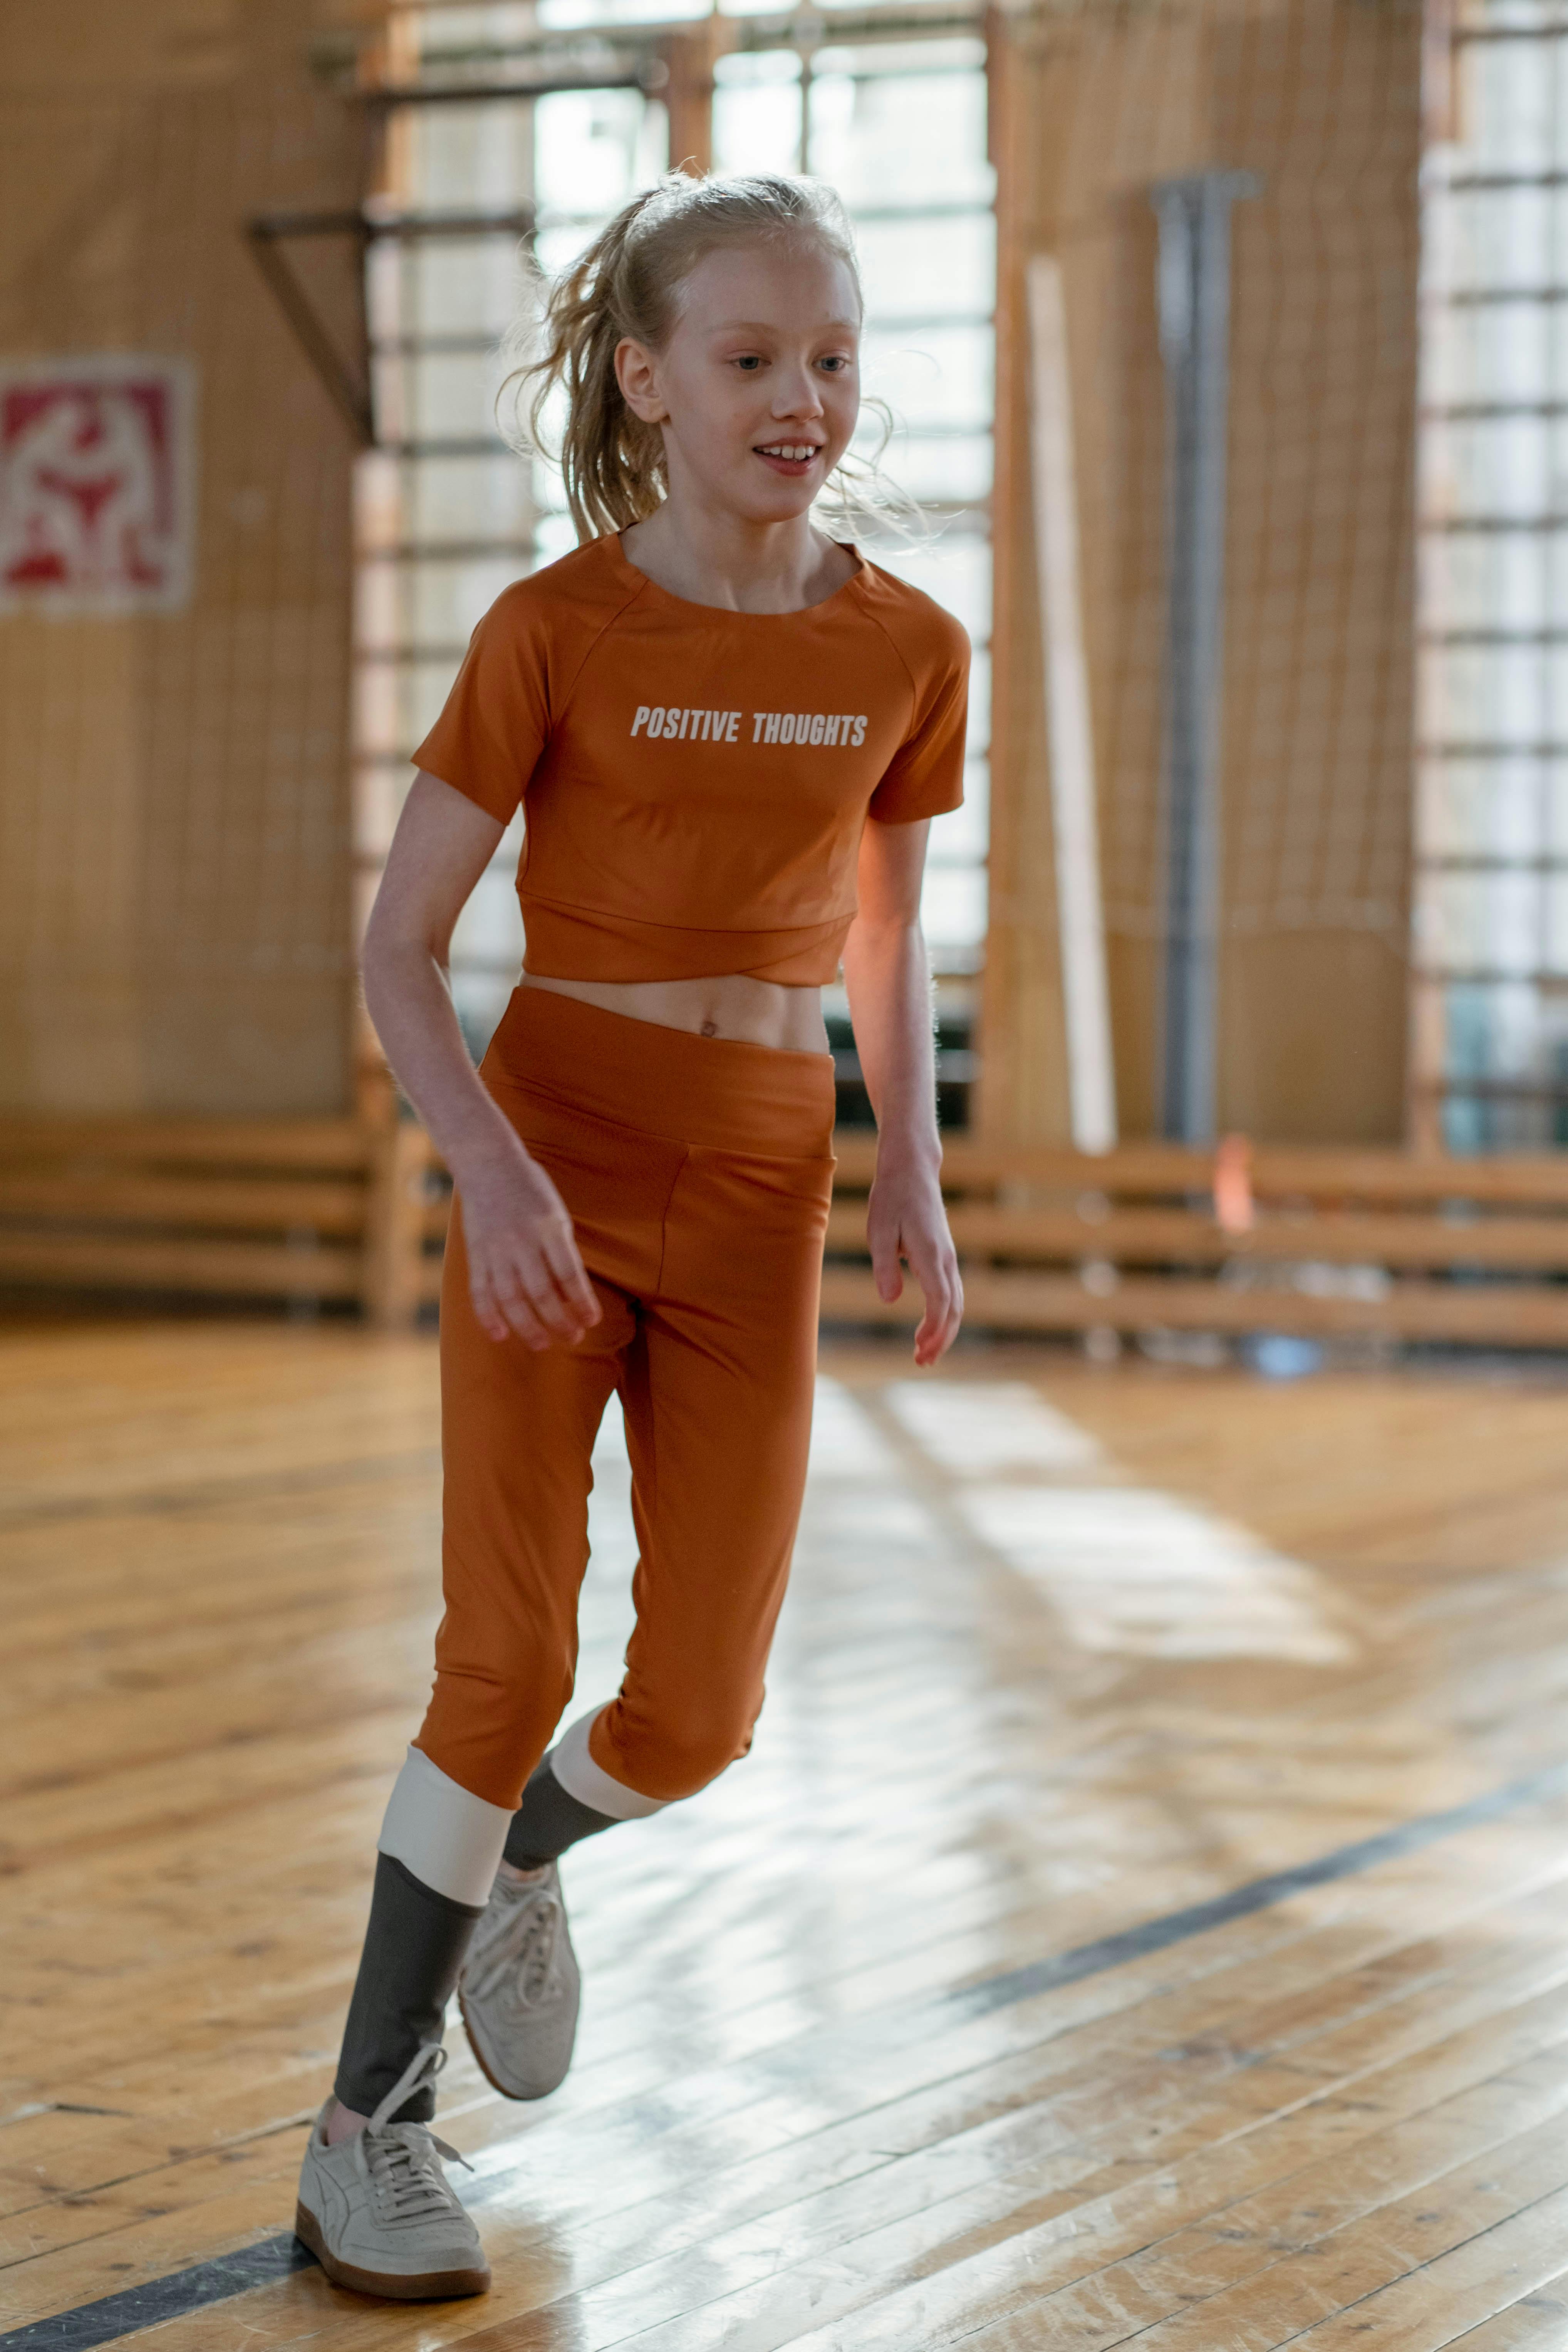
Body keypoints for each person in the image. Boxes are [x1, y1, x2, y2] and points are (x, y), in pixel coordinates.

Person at [294, 168, 968, 2301]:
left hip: (766, 1167)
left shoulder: (907, 646)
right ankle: (364, 2131)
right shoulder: (550, 630)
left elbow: (882, 931)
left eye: (831, 359)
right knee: (500, 1660)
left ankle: (520, 1865)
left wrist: (915, 1174)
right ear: (646, 378)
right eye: (753, 359)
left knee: (695, 1711)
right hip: (553, 1142)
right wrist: (486, 1166)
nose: (800, 400)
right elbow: (400, 948)